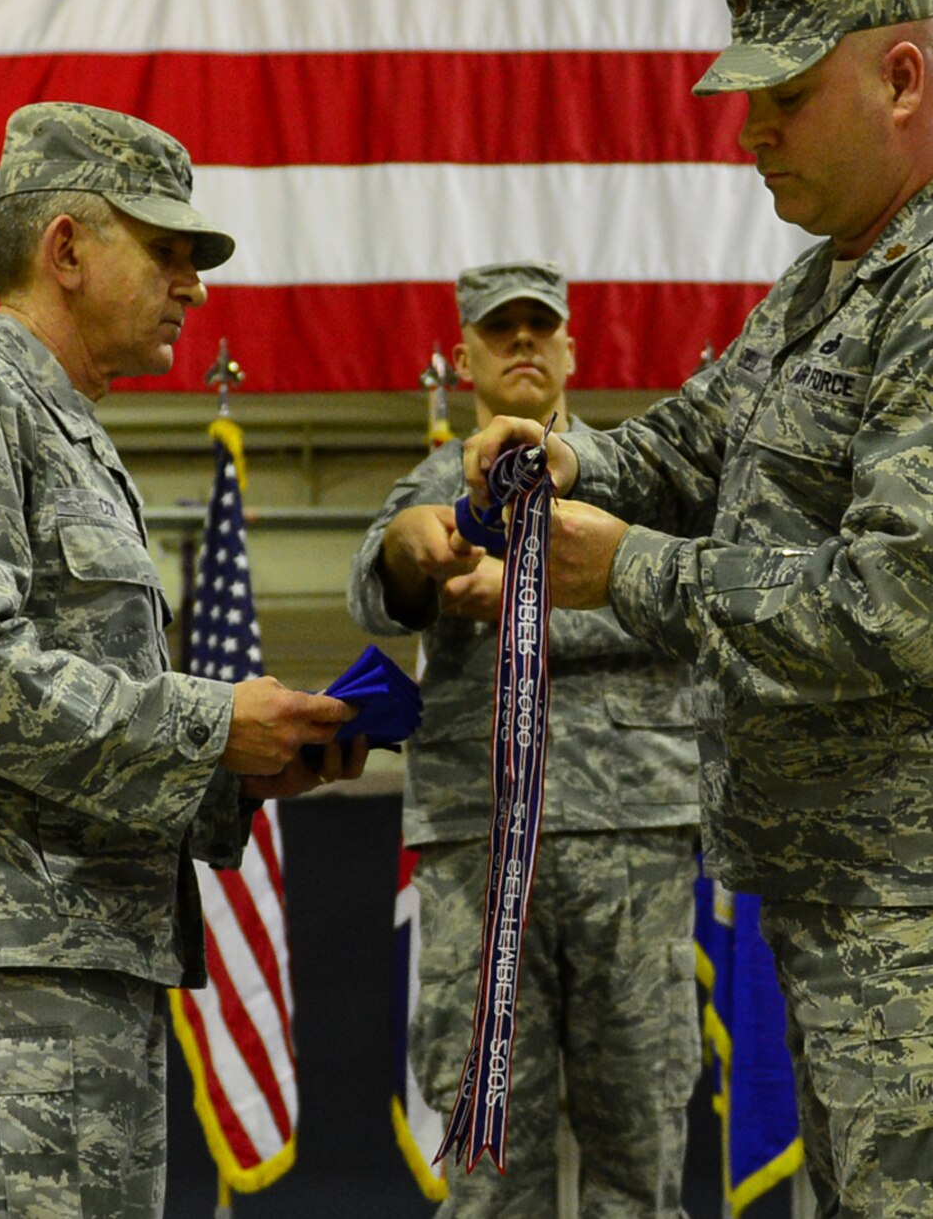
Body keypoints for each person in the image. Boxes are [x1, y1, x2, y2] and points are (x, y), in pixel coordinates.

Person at [462, 0, 933, 1217]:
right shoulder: (830, 285)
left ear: (900, 79)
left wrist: (630, 572)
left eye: (784, 95)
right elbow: (696, 444)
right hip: (853, 897)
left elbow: (889, 612)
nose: (749, 131)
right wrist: (570, 461)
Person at [0, 101, 368, 1219]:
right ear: (64, 248)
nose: (193, 284)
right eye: (165, 251)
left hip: (78, 961)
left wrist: (237, 770)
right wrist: (208, 725)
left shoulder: (64, 434)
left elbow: (65, 708)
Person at [349, 261, 703, 1216]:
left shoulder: (636, 476)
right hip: (481, 848)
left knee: (640, 1145)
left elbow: (697, 606)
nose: (520, 344)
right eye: (498, 330)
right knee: (488, 1164)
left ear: (571, 348)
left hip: (630, 836)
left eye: (537, 328)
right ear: (463, 356)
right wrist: (413, 551)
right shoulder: (432, 485)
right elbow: (376, 597)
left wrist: (529, 598)